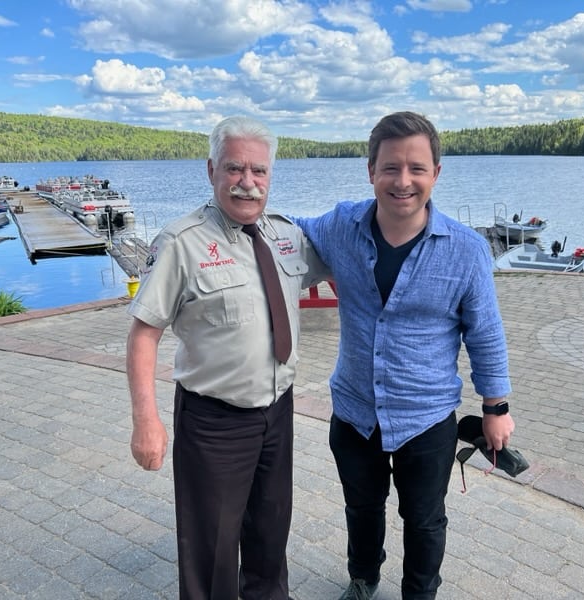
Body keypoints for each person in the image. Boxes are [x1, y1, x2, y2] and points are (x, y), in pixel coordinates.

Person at [292, 111, 515, 600]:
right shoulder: (341, 226)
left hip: (427, 416)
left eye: (416, 168)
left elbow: (486, 334)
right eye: (390, 167)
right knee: (362, 508)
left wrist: (496, 408)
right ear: (370, 171)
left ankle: (420, 593)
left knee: (425, 520)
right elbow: (287, 232)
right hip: (354, 410)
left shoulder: (466, 250)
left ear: (436, 173)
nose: (403, 181)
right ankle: (363, 578)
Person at [126, 115, 328, 600]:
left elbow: (342, 263)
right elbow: (142, 335)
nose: (248, 183)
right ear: (211, 169)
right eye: (235, 169)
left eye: (259, 172)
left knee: (270, 534)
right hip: (214, 421)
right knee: (211, 550)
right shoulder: (181, 243)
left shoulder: (286, 236)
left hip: (278, 411)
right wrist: (146, 421)